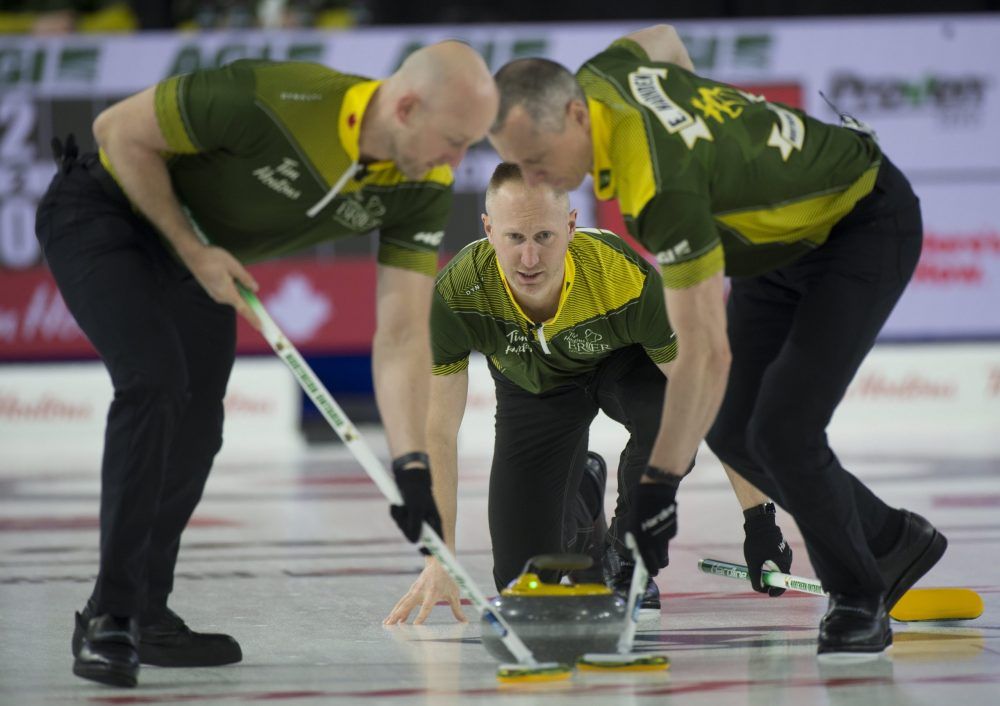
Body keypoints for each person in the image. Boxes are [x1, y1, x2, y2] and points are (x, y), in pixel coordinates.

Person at [34, 41, 497, 687]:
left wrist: (410, 466)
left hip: (197, 256)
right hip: (105, 211)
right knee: (155, 381)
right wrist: (195, 251)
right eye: (454, 140)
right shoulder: (274, 96)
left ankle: (144, 609)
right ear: (407, 105)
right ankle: (109, 615)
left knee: (198, 429)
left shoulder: (420, 183)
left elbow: (399, 336)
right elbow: (116, 131)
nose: (458, 162)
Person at [487, 25, 946, 657]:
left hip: (860, 222)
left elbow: (703, 355)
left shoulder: (661, 187)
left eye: (538, 159)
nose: (535, 178)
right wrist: (714, 126)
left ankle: (859, 594)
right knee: (732, 427)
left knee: (784, 430)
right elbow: (667, 40)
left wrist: (657, 489)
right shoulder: (603, 75)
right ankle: (894, 541)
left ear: (572, 113)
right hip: (770, 245)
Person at [383, 162, 792, 625]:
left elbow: (711, 398)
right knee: (522, 585)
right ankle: (584, 492)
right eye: (515, 238)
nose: (530, 260)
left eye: (545, 237)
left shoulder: (624, 277)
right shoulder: (457, 295)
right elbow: (437, 434)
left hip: (622, 365)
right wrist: (439, 558)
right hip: (533, 388)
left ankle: (625, 556)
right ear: (488, 229)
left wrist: (760, 520)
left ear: (571, 226)